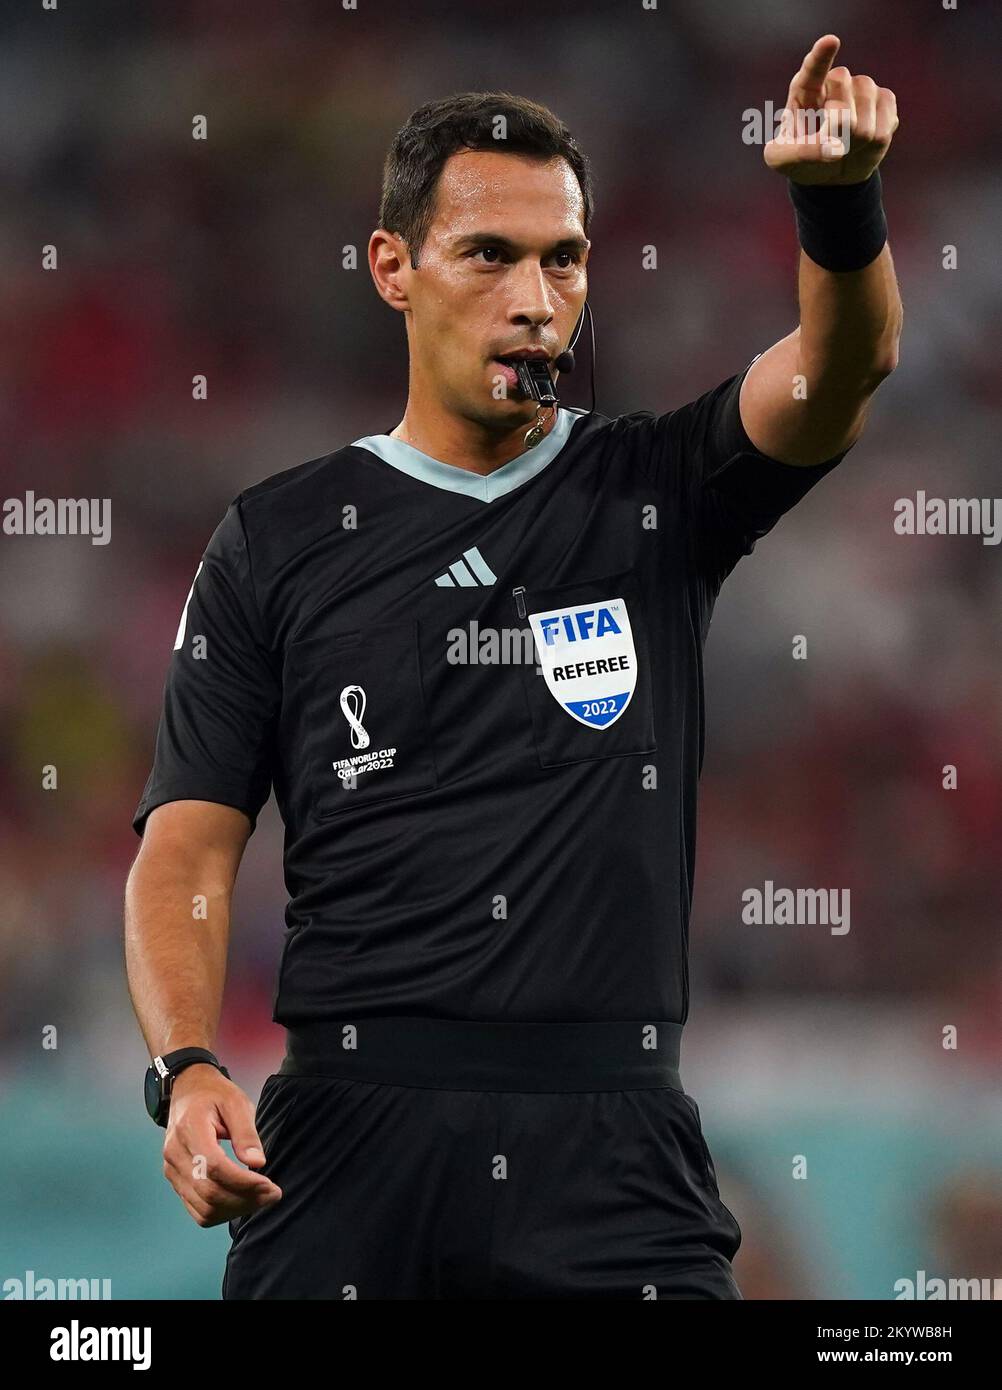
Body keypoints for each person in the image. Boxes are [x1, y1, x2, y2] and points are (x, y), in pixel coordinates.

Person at [125, 34, 901, 1299]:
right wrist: (187, 1064)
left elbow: (842, 369)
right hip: (343, 1139)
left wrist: (840, 199)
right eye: (489, 253)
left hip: (610, 1141)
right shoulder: (277, 539)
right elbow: (186, 847)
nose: (536, 296)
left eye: (565, 257)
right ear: (395, 267)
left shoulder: (656, 491)